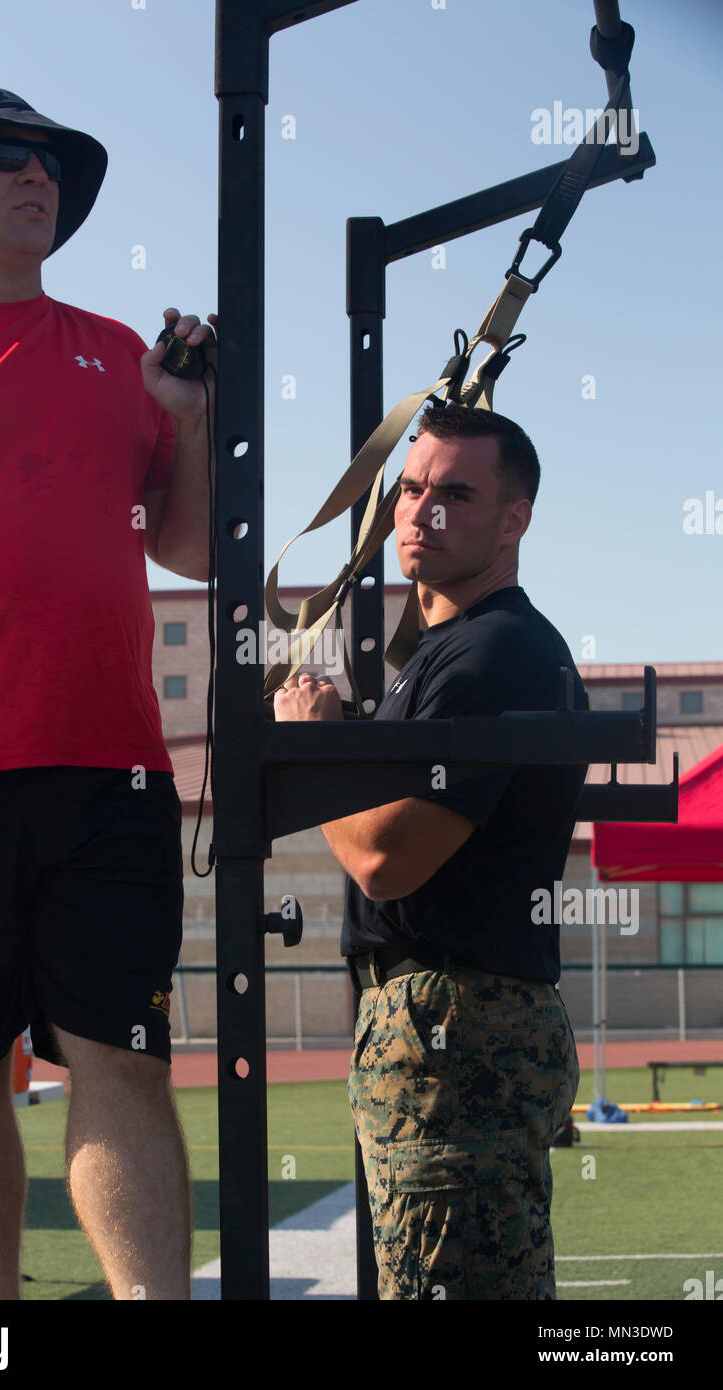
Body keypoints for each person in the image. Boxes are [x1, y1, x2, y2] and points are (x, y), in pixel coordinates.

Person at [0, 86, 217, 1300]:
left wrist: (191, 421)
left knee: (123, 1059)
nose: (41, 178)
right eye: (6, 158)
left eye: (54, 164)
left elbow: (195, 552)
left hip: (113, 773)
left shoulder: (120, 353)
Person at [275, 403, 586, 1300]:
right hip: (445, 1027)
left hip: (455, 1032)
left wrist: (315, 748)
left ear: (513, 518)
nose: (421, 513)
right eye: (411, 489)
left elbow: (386, 859)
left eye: (455, 493)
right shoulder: (448, 652)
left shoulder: (495, 654)